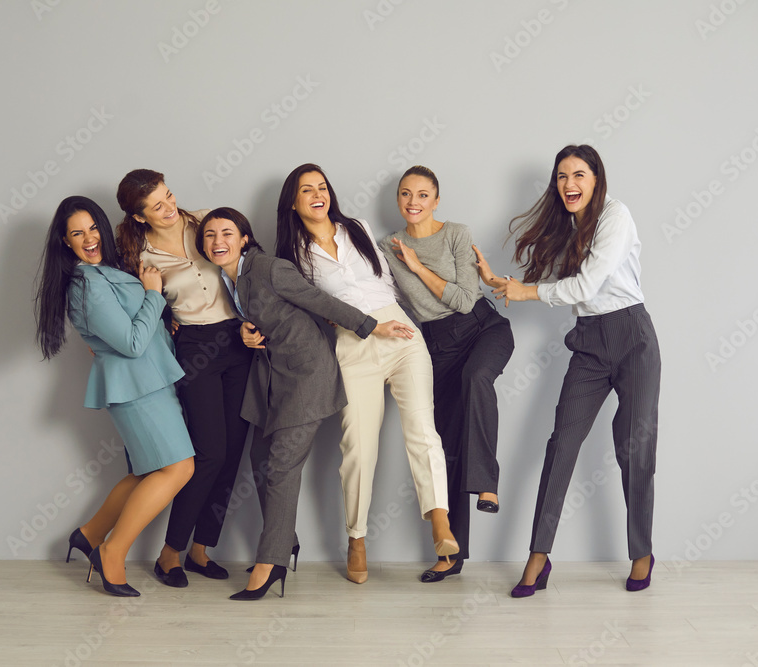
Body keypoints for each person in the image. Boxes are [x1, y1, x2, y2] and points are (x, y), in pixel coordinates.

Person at [195, 207, 414, 600]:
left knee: (281, 466)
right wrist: (244, 330)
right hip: (271, 378)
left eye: (227, 233)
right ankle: (286, 542)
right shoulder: (233, 280)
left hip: (307, 374)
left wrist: (371, 325)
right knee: (260, 461)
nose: (217, 242)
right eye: (209, 235)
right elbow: (263, 314)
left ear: (245, 238)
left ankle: (270, 563)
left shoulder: (268, 268)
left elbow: (318, 301)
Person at [265, 163, 455, 584]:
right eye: (306, 190)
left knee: (423, 430)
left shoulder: (358, 228)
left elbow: (388, 281)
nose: (318, 194)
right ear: (293, 204)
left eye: (322, 186)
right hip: (352, 344)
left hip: (400, 332)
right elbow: (307, 309)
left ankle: (439, 520)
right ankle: (357, 537)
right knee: (358, 446)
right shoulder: (290, 256)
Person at [484, 145, 660, 596]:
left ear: (597, 179)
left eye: (578, 175)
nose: (569, 185)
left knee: (634, 449)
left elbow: (586, 285)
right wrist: (503, 285)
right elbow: (546, 284)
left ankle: (642, 552)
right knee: (561, 444)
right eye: (561, 177)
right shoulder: (566, 229)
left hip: (632, 337)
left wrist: (527, 294)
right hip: (589, 343)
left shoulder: (615, 215)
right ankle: (539, 557)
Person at [35, 195, 194, 597]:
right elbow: (131, 342)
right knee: (180, 469)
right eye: (77, 233)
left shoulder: (104, 271)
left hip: (150, 381)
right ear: (65, 242)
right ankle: (112, 551)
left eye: (92, 228)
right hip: (136, 385)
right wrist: (154, 294)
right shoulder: (86, 284)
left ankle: (88, 536)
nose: (88, 238)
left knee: (145, 473)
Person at [115, 169, 253, 588]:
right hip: (194, 348)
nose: (169, 206)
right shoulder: (138, 255)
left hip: (239, 340)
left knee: (232, 453)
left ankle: (201, 551)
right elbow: (135, 308)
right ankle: (169, 553)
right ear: (140, 217)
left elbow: (249, 268)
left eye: (169, 195)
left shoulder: (208, 222)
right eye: (157, 205)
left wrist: (256, 323)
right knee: (208, 454)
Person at [380, 166, 515, 582]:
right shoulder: (388, 248)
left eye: (423, 195)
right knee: (445, 447)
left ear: (436, 200)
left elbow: (462, 299)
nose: (413, 202)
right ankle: (450, 554)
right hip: (438, 347)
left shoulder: (456, 232)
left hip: (482, 328)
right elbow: (383, 294)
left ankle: (487, 483)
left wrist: (417, 267)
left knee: (477, 380)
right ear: (398, 200)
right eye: (406, 194)